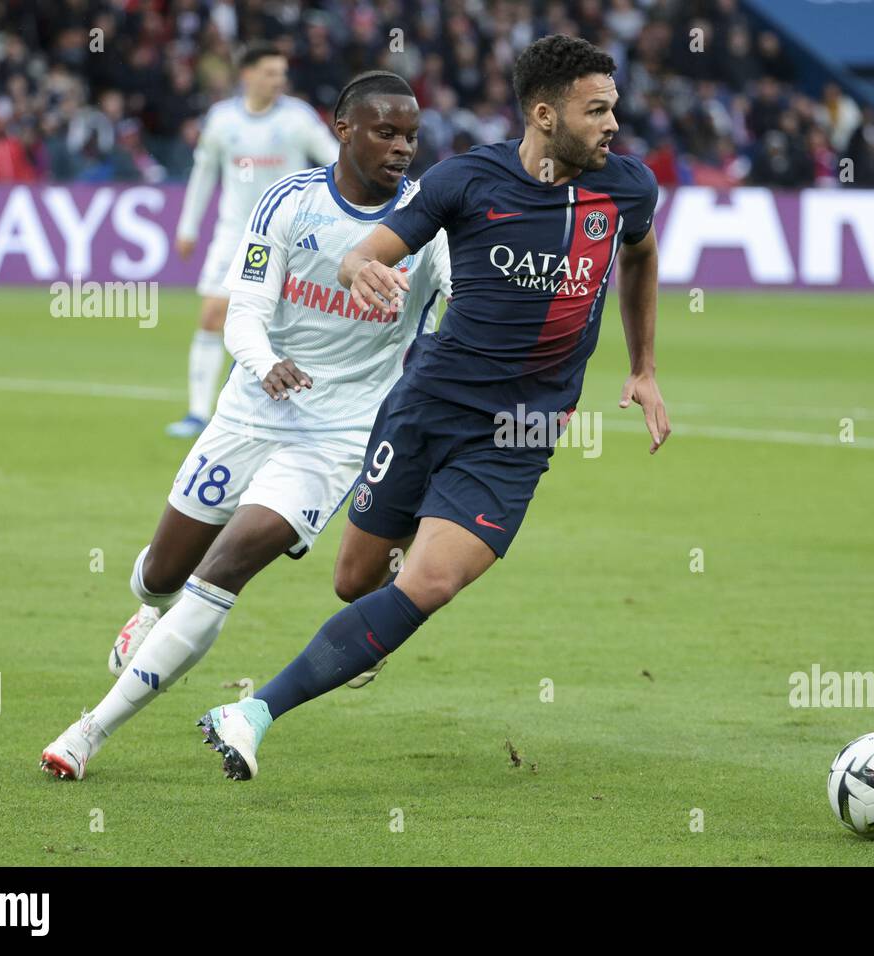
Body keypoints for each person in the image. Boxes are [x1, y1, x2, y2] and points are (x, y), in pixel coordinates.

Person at [196, 35, 672, 781]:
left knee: (430, 583)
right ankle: (371, 628)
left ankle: (250, 713)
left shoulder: (627, 188)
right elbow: (371, 250)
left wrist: (643, 367)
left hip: (520, 432)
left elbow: (640, 255)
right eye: (598, 110)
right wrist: (359, 268)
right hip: (427, 405)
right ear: (545, 115)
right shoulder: (464, 181)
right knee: (357, 581)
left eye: (614, 108)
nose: (614, 124)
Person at [40, 72, 449, 779]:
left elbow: (454, 320)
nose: (402, 148)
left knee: (227, 566)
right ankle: (148, 608)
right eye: (386, 132)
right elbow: (245, 311)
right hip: (252, 410)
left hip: (336, 438)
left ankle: (88, 732)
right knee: (163, 572)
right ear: (343, 127)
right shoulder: (289, 204)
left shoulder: (431, 224)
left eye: (411, 135)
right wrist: (265, 365)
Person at [167, 43, 339, 439]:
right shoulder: (222, 120)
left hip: (287, 235)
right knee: (213, 313)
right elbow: (204, 173)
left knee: (285, 323)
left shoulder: (298, 119)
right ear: (246, 75)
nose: (278, 80)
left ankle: (292, 405)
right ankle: (197, 412)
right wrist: (187, 227)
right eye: (269, 72)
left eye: (281, 73)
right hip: (234, 233)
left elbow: (334, 163)